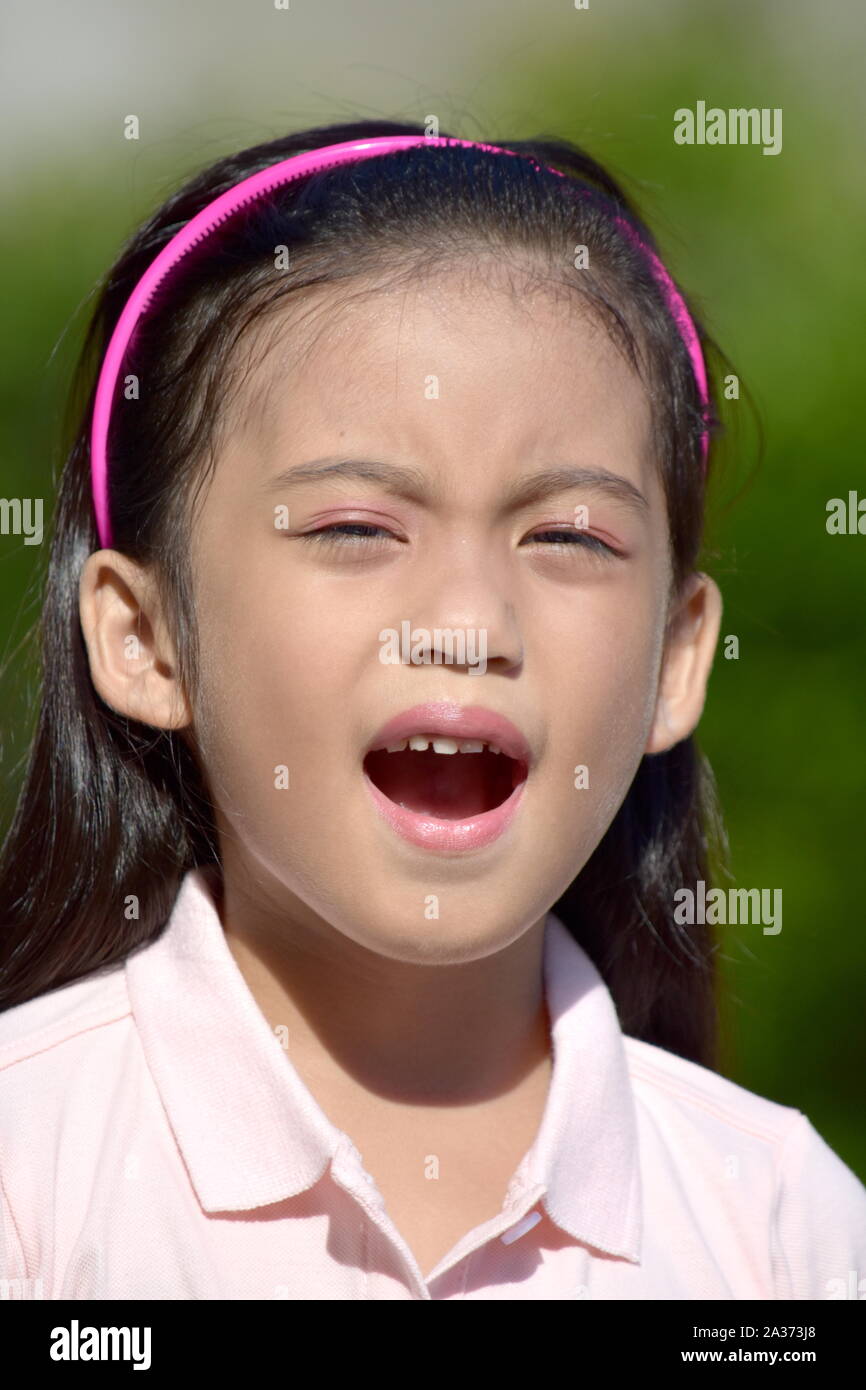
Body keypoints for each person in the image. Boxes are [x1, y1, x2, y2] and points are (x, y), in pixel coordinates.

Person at [0, 119, 863, 1300]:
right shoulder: (30, 1181)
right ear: (145, 638)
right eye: (355, 527)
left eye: (567, 535)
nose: (465, 620)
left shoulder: (778, 1228)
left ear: (674, 658)